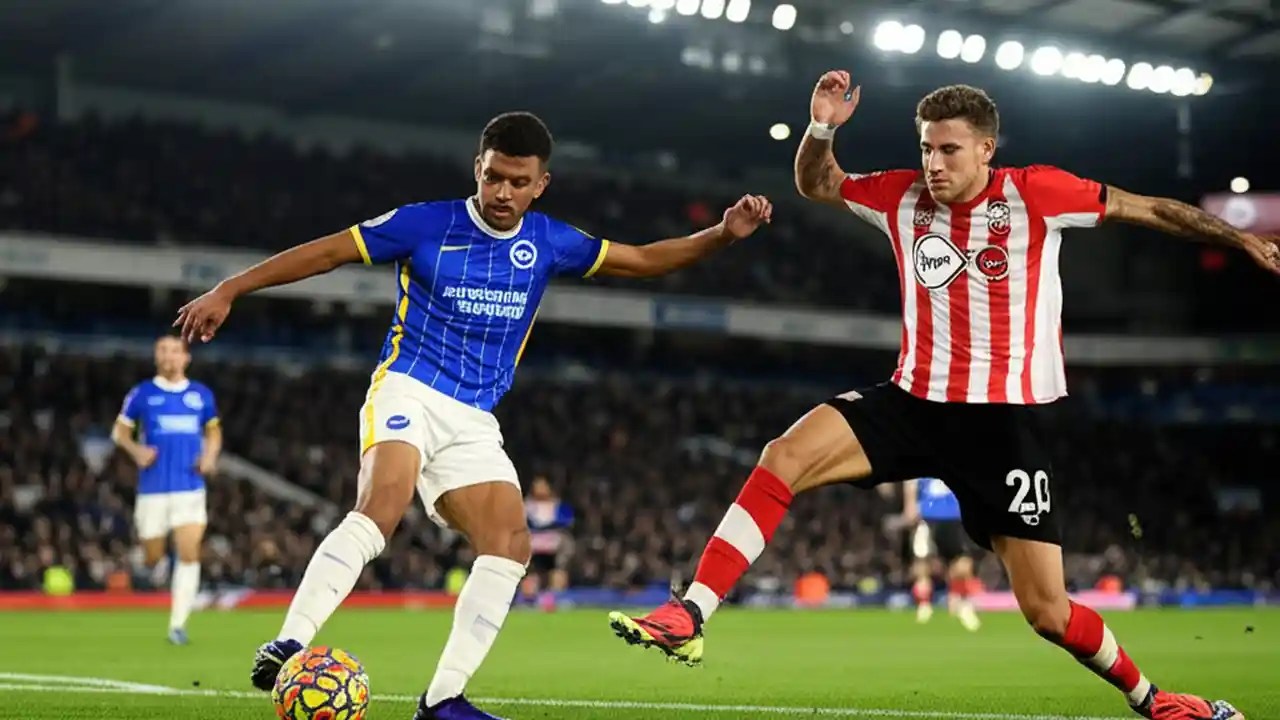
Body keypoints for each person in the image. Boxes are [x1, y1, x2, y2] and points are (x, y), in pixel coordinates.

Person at [610, 73, 1278, 720]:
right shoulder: (901, 197)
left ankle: (1154, 701)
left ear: (987, 148)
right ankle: (691, 613)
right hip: (913, 403)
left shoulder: (1039, 194)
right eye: (926, 147)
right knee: (783, 454)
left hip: (1001, 428)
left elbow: (1150, 209)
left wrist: (1239, 237)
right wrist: (819, 128)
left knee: (1048, 612)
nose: (933, 162)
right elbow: (818, 183)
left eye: (949, 149)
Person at [174, 111, 773, 720]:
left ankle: (442, 701)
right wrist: (231, 288)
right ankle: (292, 641)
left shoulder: (550, 242)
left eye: (518, 182)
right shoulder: (425, 223)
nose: (503, 193)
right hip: (407, 386)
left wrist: (722, 234)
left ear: (541, 183)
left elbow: (644, 261)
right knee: (382, 506)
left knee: (511, 543)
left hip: (473, 415)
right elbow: (329, 252)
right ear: (477, 169)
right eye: (493, 178)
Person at [111, 335, 221, 645]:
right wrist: (136, 451)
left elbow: (214, 433)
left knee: (189, 553)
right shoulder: (142, 394)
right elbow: (119, 432)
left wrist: (210, 457)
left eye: (174, 351)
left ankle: (177, 625)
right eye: (162, 350)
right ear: (156, 356)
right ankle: (154, 567)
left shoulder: (201, 395)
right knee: (152, 556)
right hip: (153, 489)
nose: (168, 356)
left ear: (186, 358)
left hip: (190, 486)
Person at [903, 477, 980, 630]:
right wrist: (910, 504)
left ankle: (958, 600)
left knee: (962, 564)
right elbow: (911, 482)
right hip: (926, 516)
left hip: (954, 516)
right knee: (922, 561)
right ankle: (924, 605)